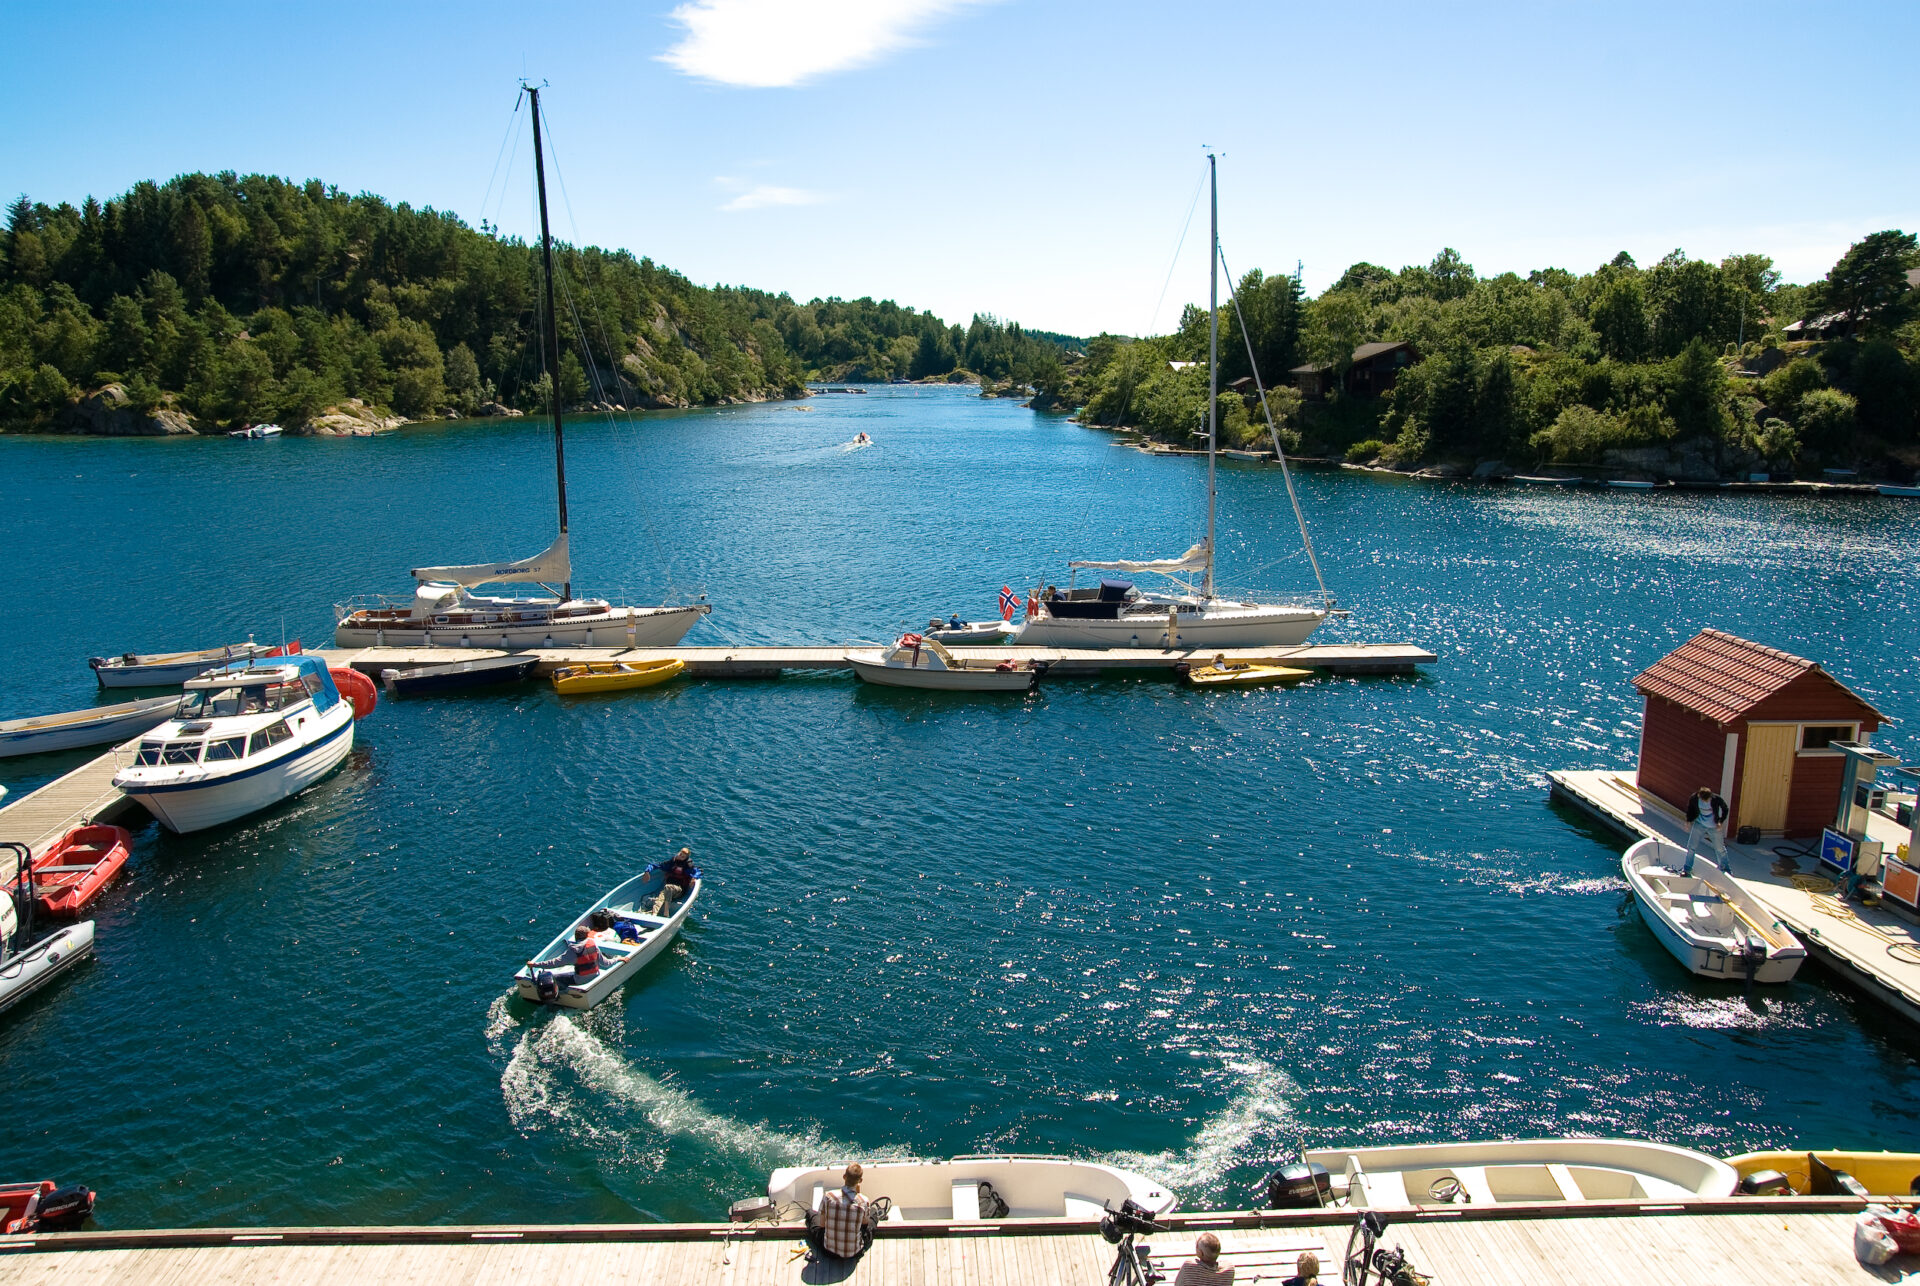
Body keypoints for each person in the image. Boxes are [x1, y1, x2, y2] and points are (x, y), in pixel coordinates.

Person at [812, 1163, 875, 1260]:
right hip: (853, 1253)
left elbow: (822, 1224)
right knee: (873, 1215)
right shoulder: (863, 1201)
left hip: (828, 1251)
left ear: (844, 1177)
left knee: (811, 1214)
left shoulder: (829, 1196)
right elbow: (864, 1224)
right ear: (860, 1181)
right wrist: (858, 1193)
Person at [528, 925, 601, 992]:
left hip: (580, 980)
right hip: (595, 976)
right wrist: (613, 960)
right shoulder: (593, 945)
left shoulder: (573, 951)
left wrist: (534, 964)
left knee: (554, 978)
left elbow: (554, 963)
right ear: (586, 936)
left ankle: (563, 992)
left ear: (576, 937)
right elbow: (605, 962)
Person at [1682, 786, 1729, 876]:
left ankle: (1725, 869)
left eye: (1708, 800)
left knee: (1720, 849)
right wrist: (1688, 821)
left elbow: (1725, 809)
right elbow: (1690, 809)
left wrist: (1720, 821)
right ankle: (1687, 869)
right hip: (1699, 824)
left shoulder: (1716, 799)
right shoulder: (1694, 798)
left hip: (1714, 826)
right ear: (1699, 796)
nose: (1706, 802)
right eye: (1704, 800)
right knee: (1691, 847)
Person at [648, 847, 696, 915]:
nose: (681, 856)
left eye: (683, 856)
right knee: (663, 894)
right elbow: (660, 865)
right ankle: (654, 913)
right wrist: (648, 870)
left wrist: (694, 878)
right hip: (667, 889)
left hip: (679, 890)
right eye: (681, 854)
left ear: (686, 857)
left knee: (668, 888)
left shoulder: (688, 864)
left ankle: (666, 911)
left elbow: (695, 871)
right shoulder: (673, 861)